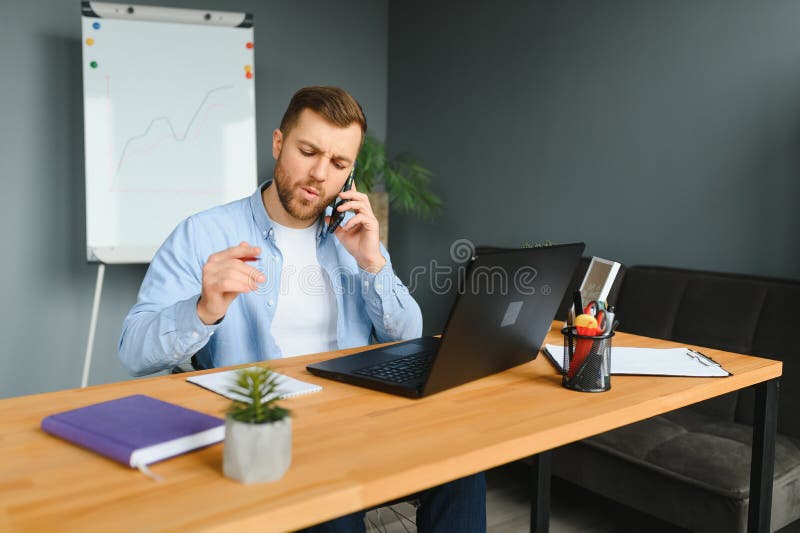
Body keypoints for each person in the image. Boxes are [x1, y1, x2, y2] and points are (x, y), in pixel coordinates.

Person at [118, 86, 486, 532]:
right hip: (265, 430)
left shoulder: (353, 237)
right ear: (278, 143)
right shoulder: (202, 234)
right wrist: (203, 308)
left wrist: (372, 263)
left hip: (355, 422)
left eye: (338, 163)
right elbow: (134, 353)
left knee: (465, 462)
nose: (318, 174)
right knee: (333, 510)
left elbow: (408, 334)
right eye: (307, 151)